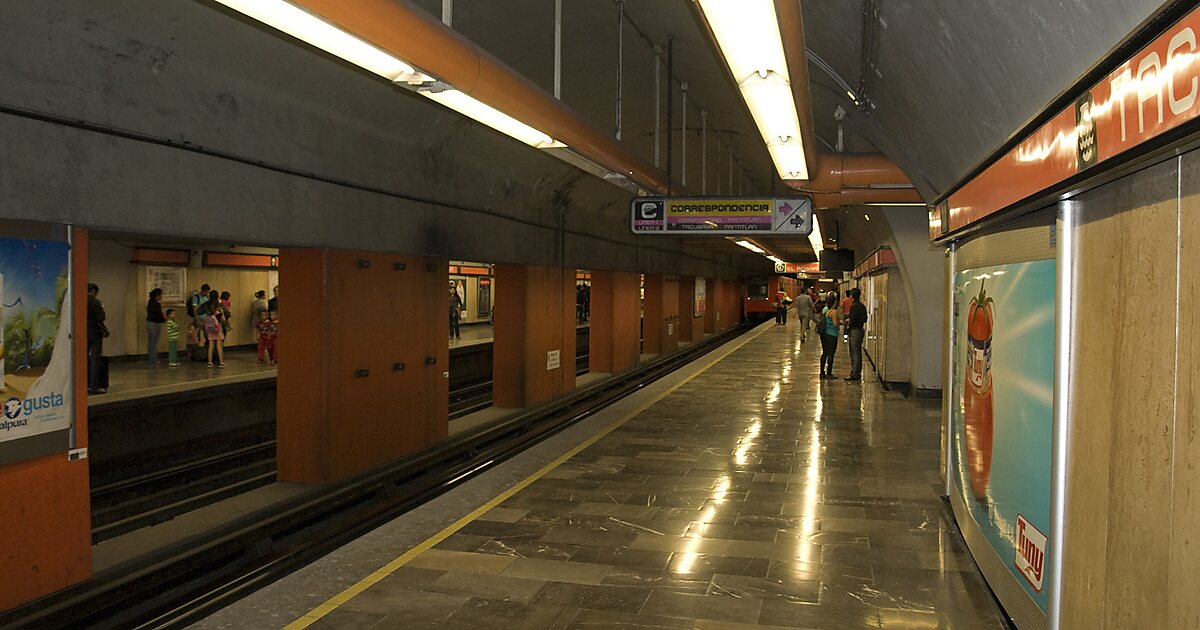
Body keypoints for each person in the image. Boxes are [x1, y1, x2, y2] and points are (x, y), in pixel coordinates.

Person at [86, 283, 107, 394]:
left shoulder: (78, 300)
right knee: (95, 360)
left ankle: (82, 385)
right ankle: (94, 386)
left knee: (82, 360)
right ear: (93, 291)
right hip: (94, 333)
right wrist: (103, 310)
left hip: (82, 333)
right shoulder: (95, 302)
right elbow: (101, 317)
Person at [845, 287, 868, 381]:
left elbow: (852, 320)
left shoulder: (854, 306)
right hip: (860, 329)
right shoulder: (862, 306)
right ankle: (857, 372)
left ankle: (854, 374)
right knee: (857, 352)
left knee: (854, 353)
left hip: (854, 331)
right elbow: (865, 319)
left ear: (852, 296)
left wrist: (848, 321)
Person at [818, 294, 840, 379]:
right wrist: (840, 323)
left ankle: (822, 372)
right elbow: (835, 324)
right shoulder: (833, 312)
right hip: (832, 335)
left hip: (824, 334)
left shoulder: (825, 310)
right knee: (831, 354)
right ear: (834, 302)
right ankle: (829, 373)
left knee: (825, 353)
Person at [203, 301, 226, 368]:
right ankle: (221, 362)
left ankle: (210, 362)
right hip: (218, 331)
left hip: (210, 332)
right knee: (219, 347)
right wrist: (222, 312)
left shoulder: (208, 315)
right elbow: (224, 320)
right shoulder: (218, 313)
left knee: (211, 347)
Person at [146, 288, 165, 366]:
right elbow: (157, 314)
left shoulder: (151, 302)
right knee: (153, 342)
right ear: (157, 295)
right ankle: (153, 358)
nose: (161, 296)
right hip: (154, 323)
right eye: (161, 295)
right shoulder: (155, 304)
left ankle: (152, 357)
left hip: (151, 323)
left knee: (152, 341)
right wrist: (163, 319)